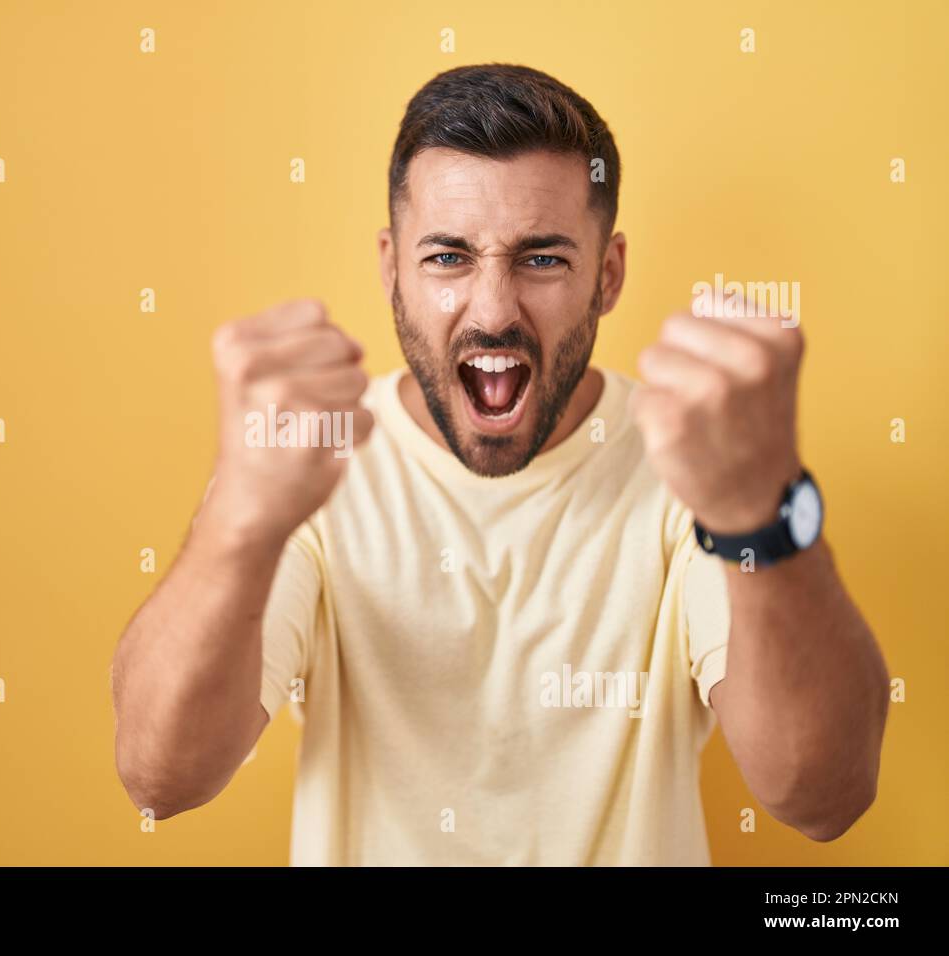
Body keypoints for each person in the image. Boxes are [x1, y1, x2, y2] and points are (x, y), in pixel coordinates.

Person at [110, 63, 889, 865]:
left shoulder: (688, 463)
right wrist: (238, 524)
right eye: (448, 257)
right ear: (390, 269)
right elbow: (160, 777)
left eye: (542, 259)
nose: (491, 310)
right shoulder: (312, 463)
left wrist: (763, 513)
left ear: (608, 274)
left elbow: (822, 795)